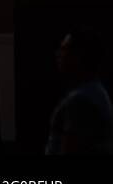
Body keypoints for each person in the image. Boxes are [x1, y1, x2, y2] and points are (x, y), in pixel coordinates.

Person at [45, 27, 112, 155]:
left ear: (78, 56)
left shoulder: (80, 101)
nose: (58, 54)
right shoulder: (95, 91)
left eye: (64, 49)